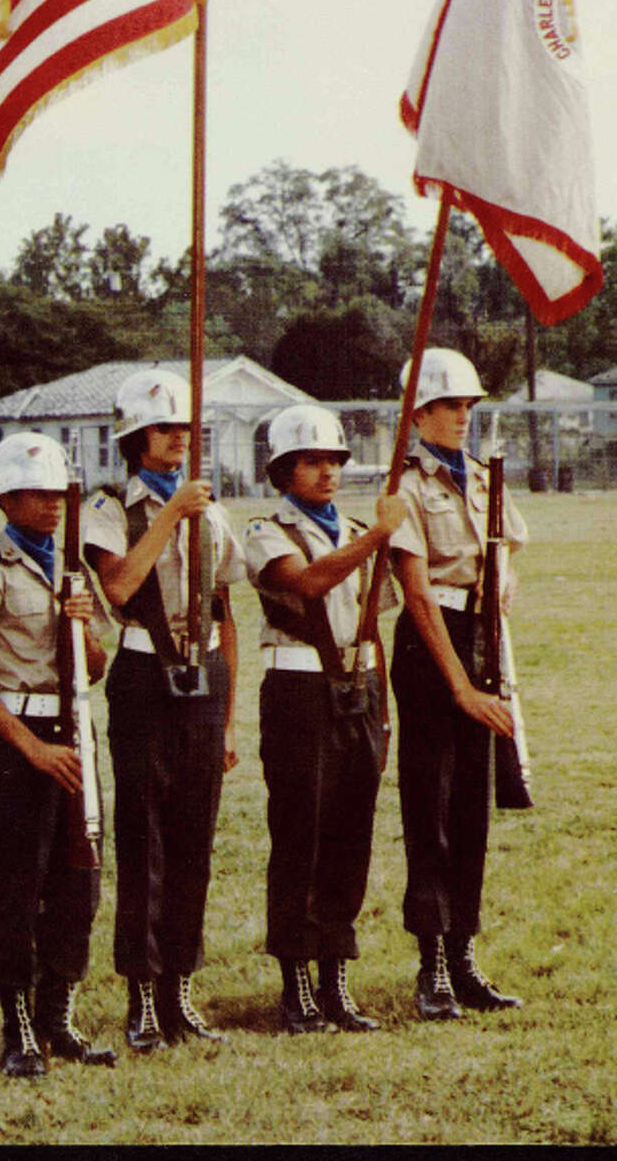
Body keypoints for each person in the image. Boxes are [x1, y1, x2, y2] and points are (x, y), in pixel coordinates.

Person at [81, 367, 242, 1053]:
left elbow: (226, 612)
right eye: (165, 428)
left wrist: (228, 716)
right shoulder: (112, 507)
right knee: (144, 839)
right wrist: (173, 514)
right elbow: (117, 586)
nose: (179, 439)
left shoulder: (211, 508)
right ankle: (141, 995)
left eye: (185, 428)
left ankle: (180, 988)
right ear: (136, 438)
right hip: (146, 673)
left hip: (201, 676)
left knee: (193, 843)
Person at [0, 431, 116, 1077]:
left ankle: (58, 1017)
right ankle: (17, 1026)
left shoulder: (71, 571)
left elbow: (96, 666)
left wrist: (84, 621)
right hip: (19, 746)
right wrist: (32, 750)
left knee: (79, 881)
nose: (51, 506)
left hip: (75, 736)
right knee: (17, 887)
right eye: (35, 495)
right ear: (6, 501)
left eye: (57, 494)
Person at [244, 404, 406, 1035]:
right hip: (299, 688)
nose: (326, 473)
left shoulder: (361, 528)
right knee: (299, 836)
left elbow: (372, 630)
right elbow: (307, 584)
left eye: (334, 461)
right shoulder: (267, 529)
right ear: (284, 472)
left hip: (356, 689)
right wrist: (374, 539)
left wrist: (382, 712)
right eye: (310, 462)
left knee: (349, 836)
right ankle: (295, 983)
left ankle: (337, 975)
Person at [387, 347, 528, 1021]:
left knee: (472, 809)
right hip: (430, 647)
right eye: (448, 405)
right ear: (418, 414)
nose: (461, 416)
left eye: (468, 406)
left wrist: (495, 635)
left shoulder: (481, 478)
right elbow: (416, 595)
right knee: (432, 810)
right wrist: (461, 688)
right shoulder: (406, 486)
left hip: (479, 640)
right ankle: (432, 964)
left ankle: (466, 957)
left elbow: (508, 562)